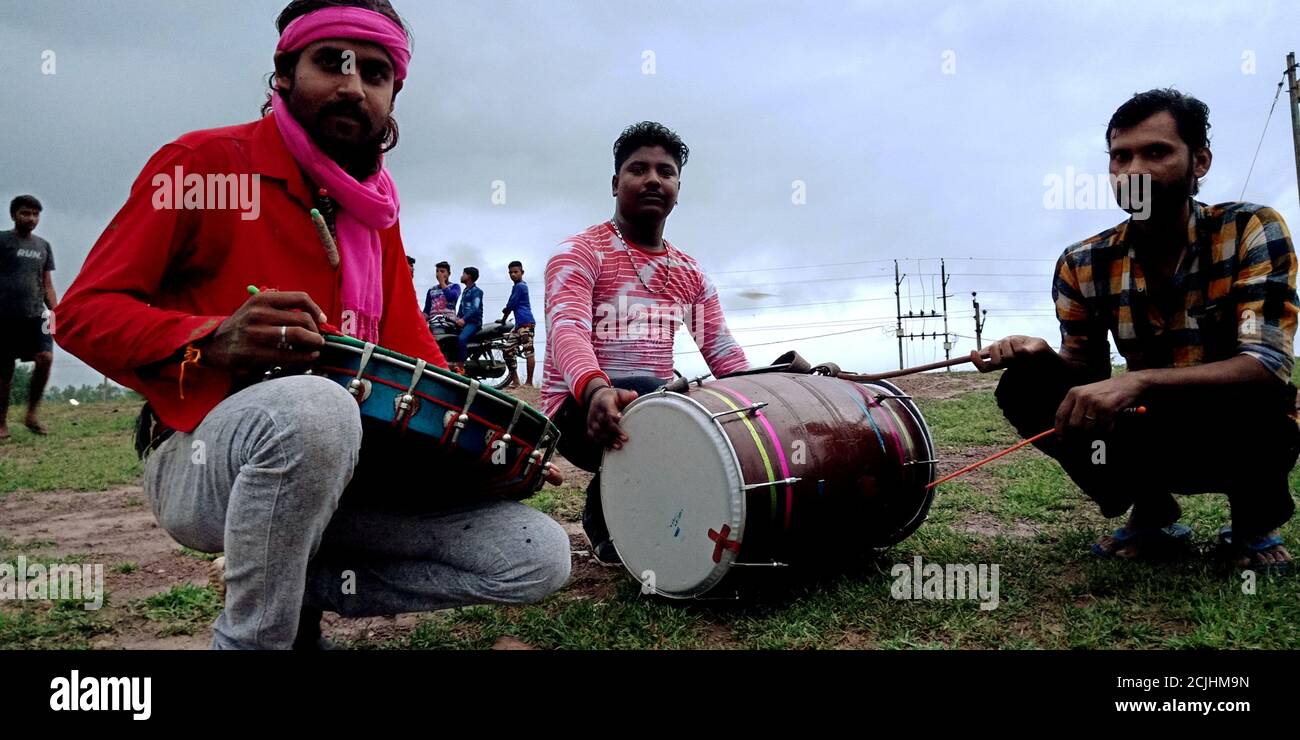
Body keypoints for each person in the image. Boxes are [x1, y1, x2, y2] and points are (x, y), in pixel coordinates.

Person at [54, 0, 569, 649]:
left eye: (376, 73)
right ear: (285, 71)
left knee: (535, 553)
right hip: (205, 462)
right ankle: (256, 638)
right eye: (332, 63)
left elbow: (419, 362)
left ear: (393, 95)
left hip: (354, 474)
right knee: (315, 408)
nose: (354, 86)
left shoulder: (375, 217)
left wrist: (498, 438)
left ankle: (297, 582)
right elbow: (80, 314)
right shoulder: (201, 164)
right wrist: (211, 339)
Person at [974, 88, 1299, 571]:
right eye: (1120, 157)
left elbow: (1266, 365)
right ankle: (1152, 513)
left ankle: (1253, 523)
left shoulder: (1251, 227)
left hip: (1235, 420)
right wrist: (1042, 356)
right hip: (1148, 421)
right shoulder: (1082, 261)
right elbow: (1085, 370)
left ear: (1200, 162)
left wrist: (1139, 379)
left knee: (1265, 404)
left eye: (1156, 152)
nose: (1133, 171)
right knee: (1025, 386)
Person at [543, 121, 749, 565]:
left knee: (693, 401)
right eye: (639, 169)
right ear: (616, 183)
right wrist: (596, 388)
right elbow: (567, 331)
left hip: (655, 403)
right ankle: (607, 513)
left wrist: (775, 386)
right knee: (658, 397)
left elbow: (723, 353)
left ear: (678, 187)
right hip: (579, 408)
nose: (654, 179)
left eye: (666, 171)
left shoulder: (691, 271)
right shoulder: (579, 252)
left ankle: (632, 511)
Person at [0, 195, 57, 439]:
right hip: (4, 316)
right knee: (4, 371)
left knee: (45, 357)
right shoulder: (2, 241)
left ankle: (31, 414)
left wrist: (56, 312)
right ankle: (1, 424)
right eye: (25, 213)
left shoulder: (43, 246)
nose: (31, 218)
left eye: (35, 214)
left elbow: (47, 283)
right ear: (14, 215)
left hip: (37, 315)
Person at [499, 260, 535, 387]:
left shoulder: (521, 286)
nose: (513, 274)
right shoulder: (515, 287)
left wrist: (506, 310)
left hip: (526, 323)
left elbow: (511, 304)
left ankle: (529, 382)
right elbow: (511, 304)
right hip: (518, 325)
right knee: (507, 350)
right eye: (510, 272)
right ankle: (515, 381)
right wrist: (503, 320)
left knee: (528, 351)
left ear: (522, 272)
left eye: (515, 272)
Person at [452, 266, 482, 373]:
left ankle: (460, 367)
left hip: (473, 322)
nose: (461, 276)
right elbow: (461, 308)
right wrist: (457, 318)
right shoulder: (465, 291)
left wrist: (464, 319)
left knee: (462, 339)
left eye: (463, 274)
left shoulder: (476, 291)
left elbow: (475, 307)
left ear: (468, 276)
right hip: (464, 322)